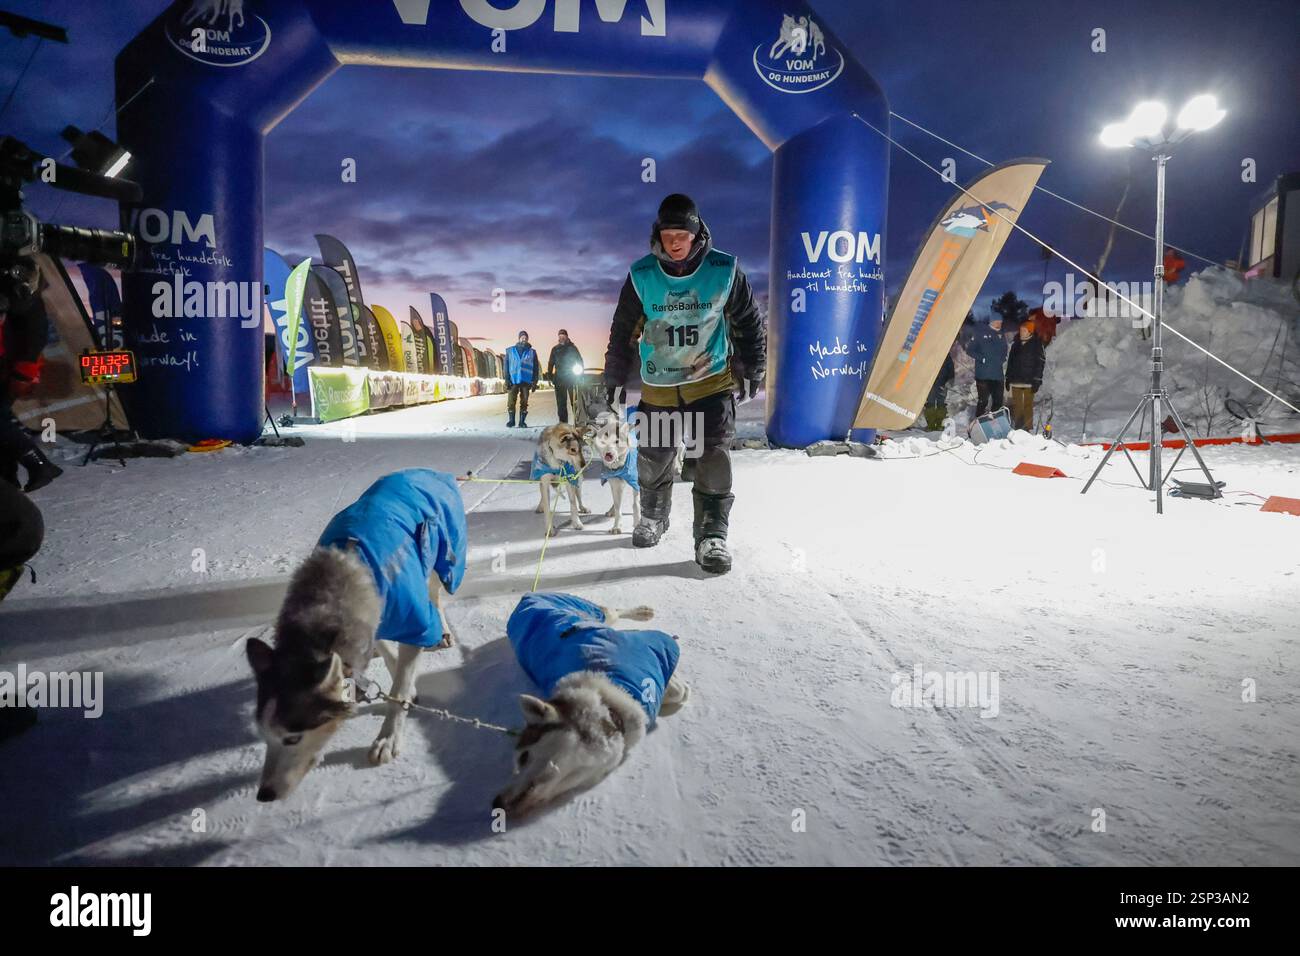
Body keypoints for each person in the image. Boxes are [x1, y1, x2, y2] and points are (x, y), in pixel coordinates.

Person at [603, 193, 765, 575]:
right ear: (658, 234)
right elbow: (623, 329)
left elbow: (747, 321)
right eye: (668, 233)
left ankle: (712, 535)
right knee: (654, 455)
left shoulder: (724, 270)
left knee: (711, 457)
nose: (675, 242)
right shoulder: (642, 274)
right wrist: (613, 376)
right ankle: (654, 517)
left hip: (708, 384)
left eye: (683, 234)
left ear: (697, 234)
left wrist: (753, 366)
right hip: (659, 385)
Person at [1005, 318, 1047, 431]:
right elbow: (1011, 362)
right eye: (1021, 329)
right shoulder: (1016, 344)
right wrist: (1008, 377)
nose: (1021, 332)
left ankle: (1028, 428)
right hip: (1016, 380)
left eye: (1024, 330)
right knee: (1017, 405)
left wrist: (1037, 379)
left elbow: (1040, 363)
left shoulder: (1037, 344)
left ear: (1030, 331)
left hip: (1029, 381)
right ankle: (1018, 427)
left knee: (1028, 406)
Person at [966, 314, 1008, 418]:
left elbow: (1004, 349)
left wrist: (1002, 359)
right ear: (992, 321)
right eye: (998, 321)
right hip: (983, 375)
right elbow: (970, 350)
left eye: (1001, 322)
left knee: (998, 401)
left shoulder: (1001, 334)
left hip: (998, 375)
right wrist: (982, 359)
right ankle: (978, 424)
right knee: (983, 401)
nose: (1000, 323)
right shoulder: (980, 333)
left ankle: (994, 424)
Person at [545, 329, 584, 425]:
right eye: (560, 336)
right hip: (559, 380)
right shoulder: (555, 349)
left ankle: (578, 422)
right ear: (558, 338)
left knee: (575, 402)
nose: (562, 338)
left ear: (567, 337)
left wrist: (580, 375)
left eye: (563, 336)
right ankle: (563, 424)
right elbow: (550, 363)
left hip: (572, 379)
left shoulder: (573, 348)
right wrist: (550, 377)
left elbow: (580, 361)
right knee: (561, 404)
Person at [504, 330, 540, 428]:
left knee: (524, 401)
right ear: (519, 338)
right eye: (522, 338)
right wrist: (507, 379)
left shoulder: (532, 352)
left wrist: (534, 382)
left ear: (527, 339)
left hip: (526, 380)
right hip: (513, 379)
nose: (524, 339)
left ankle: (522, 422)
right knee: (511, 401)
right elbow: (506, 366)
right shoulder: (510, 351)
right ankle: (511, 421)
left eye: (525, 338)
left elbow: (536, 368)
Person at [922, 351, 955, 431]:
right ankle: (931, 425)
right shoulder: (928, 353)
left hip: (943, 382)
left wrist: (950, 381)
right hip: (930, 383)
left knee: (941, 404)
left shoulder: (945, 353)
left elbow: (951, 369)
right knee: (930, 403)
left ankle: (940, 424)